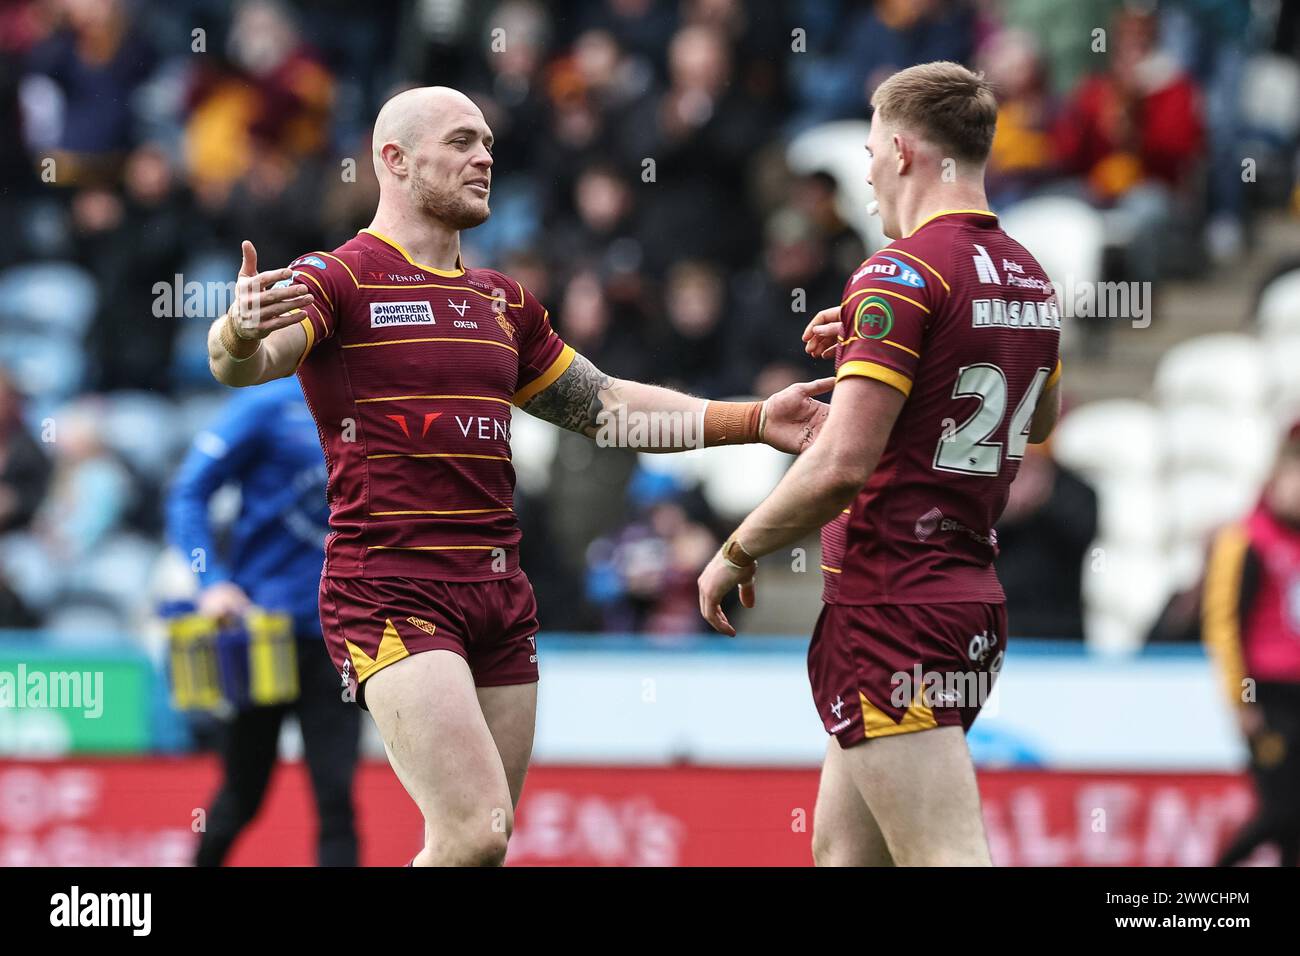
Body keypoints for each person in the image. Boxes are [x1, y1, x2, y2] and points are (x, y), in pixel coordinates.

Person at [204, 85, 832, 867]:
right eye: (463, 141)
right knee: (472, 832)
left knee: (482, 848)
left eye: (490, 143)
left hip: (500, 593)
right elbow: (247, 362)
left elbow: (607, 409)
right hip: (391, 586)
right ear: (394, 159)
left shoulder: (501, 302)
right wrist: (234, 331)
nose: (485, 157)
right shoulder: (340, 278)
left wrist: (753, 419)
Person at [697, 61, 1063, 866]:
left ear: (901, 151)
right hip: (967, 599)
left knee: (945, 855)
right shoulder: (1032, 276)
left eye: (868, 150)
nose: (865, 170)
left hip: (893, 602)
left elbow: (839, 466)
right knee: (843, 853)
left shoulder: (899, 273)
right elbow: (1036, 419)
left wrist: (736, 550)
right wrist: (894, 358)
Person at [167, 375, 360, 866]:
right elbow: (188, 493)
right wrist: (210, 582)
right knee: (241, 794)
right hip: (261, 634)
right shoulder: (266, 407)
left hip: (339, 637)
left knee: (336, 797)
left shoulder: (381, 402)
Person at [1202, 421, 1300, 867]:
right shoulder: (1245, 539)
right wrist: (1241, 700)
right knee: (1282, 808)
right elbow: (1223, 624)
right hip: (1269, 695)